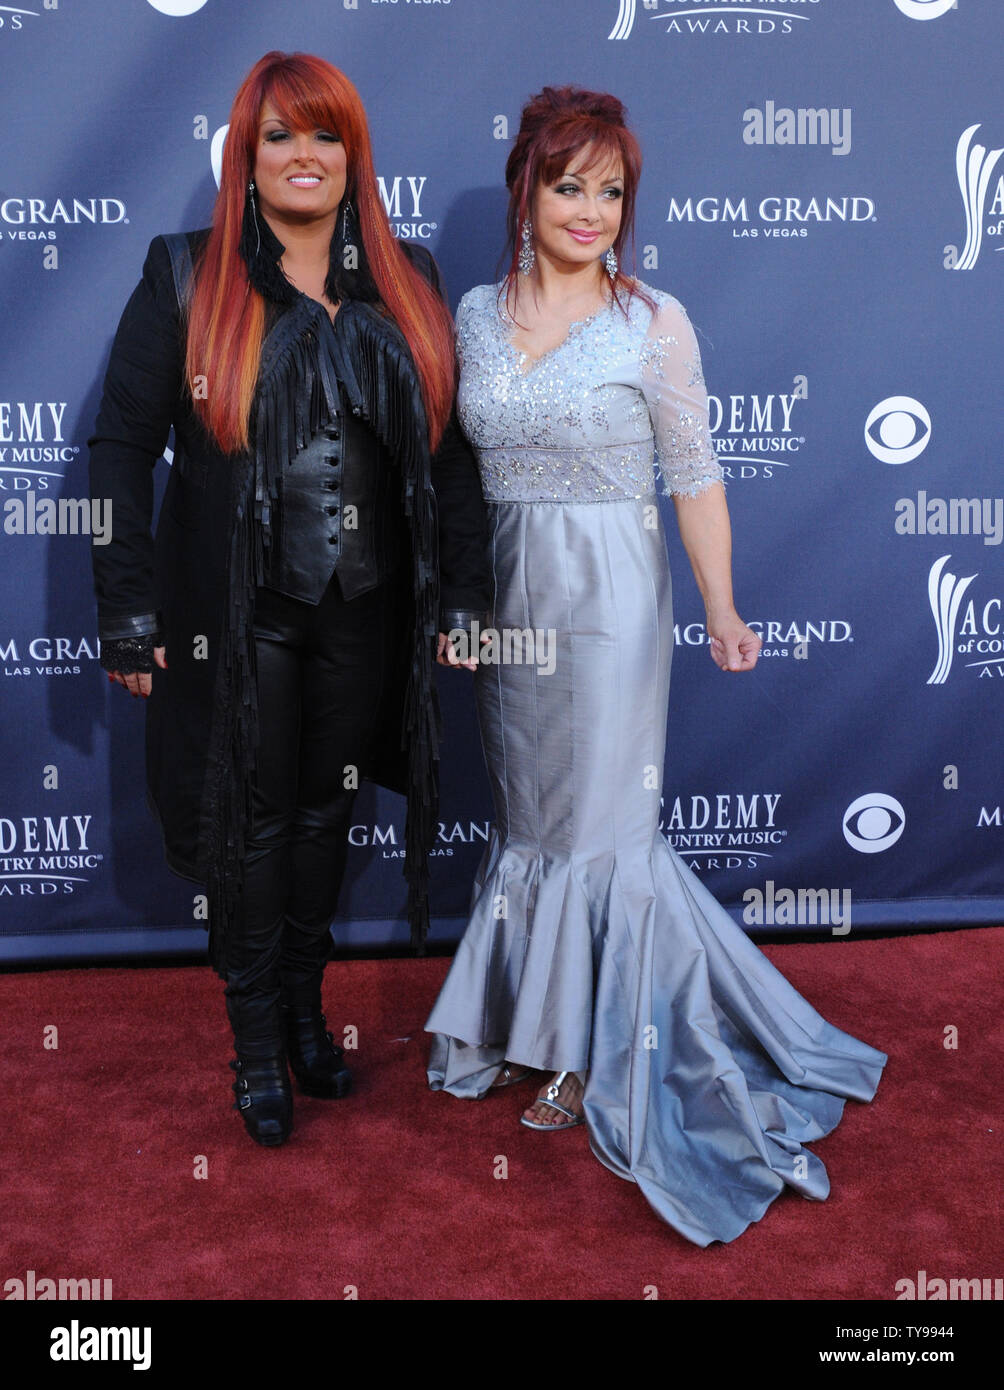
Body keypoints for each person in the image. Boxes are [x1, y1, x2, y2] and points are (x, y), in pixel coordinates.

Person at [425, 86, 886, 1245]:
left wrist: (722, 608)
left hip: (617, 598)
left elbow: (695, 476)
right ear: (524, 189)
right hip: (513, 597)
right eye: (567, 185)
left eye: (611, 190)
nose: (591, 211)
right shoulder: (471, 315)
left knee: (597, 834)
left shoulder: (652, 322)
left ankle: (590, 1050)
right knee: (530, 817)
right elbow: (452, 483)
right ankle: (516, 1025)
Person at [89, 51, 489, 1147]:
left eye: (323, 135)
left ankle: (310, 1014)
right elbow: (119, 450)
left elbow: (448, 458)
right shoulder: (182, 275)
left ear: (352, 153)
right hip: (238, 617)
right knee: (254, 827)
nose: (302, 154)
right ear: (245, 158)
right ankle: (257, 1042)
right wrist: (127, 610)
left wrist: (462, 597)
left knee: (326, 815)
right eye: (278, 136)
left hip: (364, 615)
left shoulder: (406, 276)